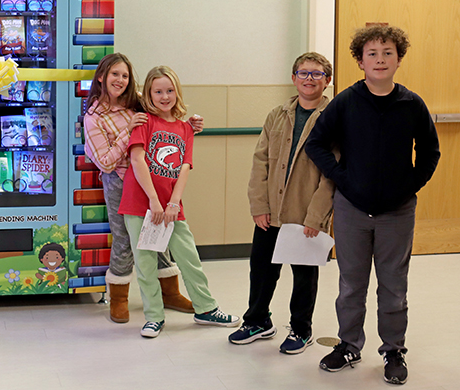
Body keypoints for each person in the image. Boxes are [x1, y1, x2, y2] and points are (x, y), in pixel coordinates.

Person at [306, 25, 440, 384]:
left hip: (397, 212)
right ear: (360, 60)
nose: (380, 59)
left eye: (387, 53)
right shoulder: (346, 102)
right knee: (351, 284)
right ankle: (349, 344)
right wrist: (344, 179)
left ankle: (394, 350)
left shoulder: (412, 104)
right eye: (372, 54)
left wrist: (409, 185)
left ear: (398, 59)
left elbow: (430, 152)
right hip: (351, 210)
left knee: (394, 286)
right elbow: (316, 144)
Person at [117, 65, 240, 338]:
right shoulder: (143, 121)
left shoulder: (185, 128)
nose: (164, 96)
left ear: (177, 92)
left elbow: (185, 166)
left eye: (169, 90)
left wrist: (173, 202)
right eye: (158, 91)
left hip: (171, 207)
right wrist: (153, 200)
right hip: (140, 205)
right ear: (148, 93)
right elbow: (137, 159)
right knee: (146, 262)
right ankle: (153, 317)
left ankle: (206, 308)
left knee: (188, 257)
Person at [228, 52, 335, 354]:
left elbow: (333, 174)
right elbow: (260, 160)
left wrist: (316, 216)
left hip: (305, 215)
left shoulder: (334, 118)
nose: (309, 79)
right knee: (261, 269)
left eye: (316, 74)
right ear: (293, 78)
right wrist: (258, 205)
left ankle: (301, 329)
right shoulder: (278, 114)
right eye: (303, 73)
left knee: (303, 275)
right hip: (270, 212)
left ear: (327, 80)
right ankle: (258, 320)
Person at [83, 53, 202, 323]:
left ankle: (169, 293)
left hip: (152, 178)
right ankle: (119, 298)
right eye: (114, 74)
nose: (120, 80)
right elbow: (105, 162)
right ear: (101, 76)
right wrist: (130, 131)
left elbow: (164, 112)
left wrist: (191, 125)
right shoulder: (94, 118)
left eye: (125, 75)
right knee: (125, 240)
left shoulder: (136, 101)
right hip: (120, 182)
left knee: (161, 234)